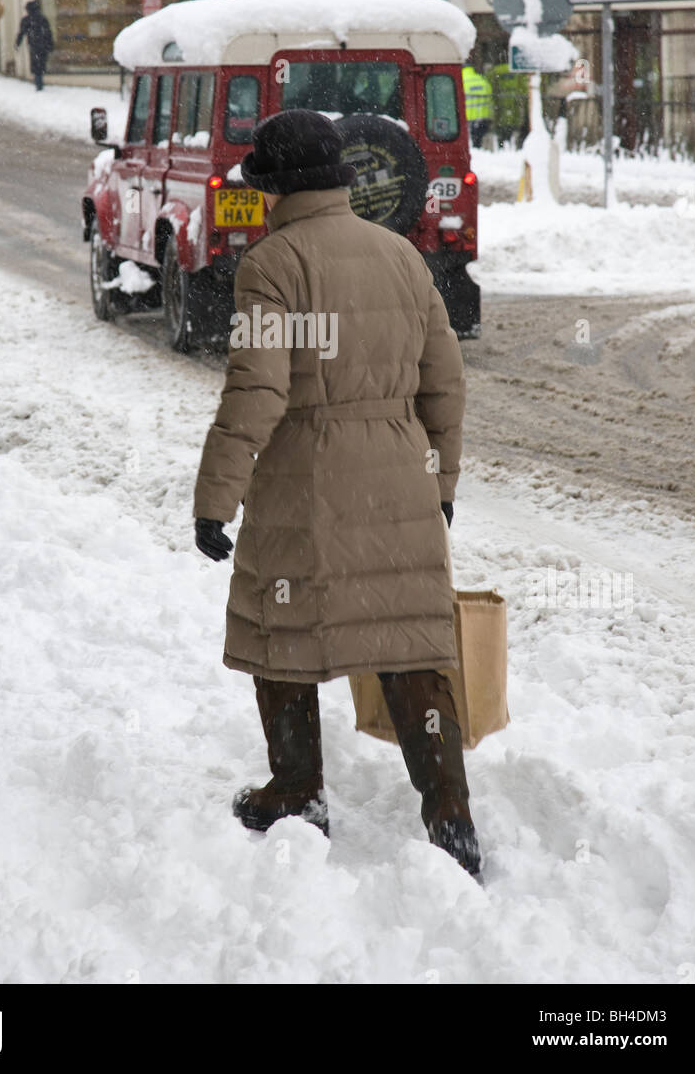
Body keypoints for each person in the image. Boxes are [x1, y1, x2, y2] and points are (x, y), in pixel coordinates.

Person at [193, 109, 480, 876]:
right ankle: (449, 810)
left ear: (274, 186)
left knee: (281, 629)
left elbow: (257, 389)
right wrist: (441, 480)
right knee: (408, 642)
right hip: (399, 470)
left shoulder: (273, 264)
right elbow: (443, 382)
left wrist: (215, 497)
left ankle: (296, 790)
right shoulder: (401, 255)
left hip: (304, 478)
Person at [15, 0, 54, 91]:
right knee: (41, 64)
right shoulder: (43, 19)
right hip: (43, 45)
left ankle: (38, 83)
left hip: (33, 45)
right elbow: (48, 33)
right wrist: (50, 44)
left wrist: (17, 43)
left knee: (36, 65)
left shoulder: (26, 20)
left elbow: (21, 33)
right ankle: (39, 82)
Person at [462, 64, 494, 149]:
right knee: (480, 142)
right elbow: (490, 95)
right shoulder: (482, 80)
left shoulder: (461, 81)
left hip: (467, 118)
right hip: (484, 116)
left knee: (472, 145)